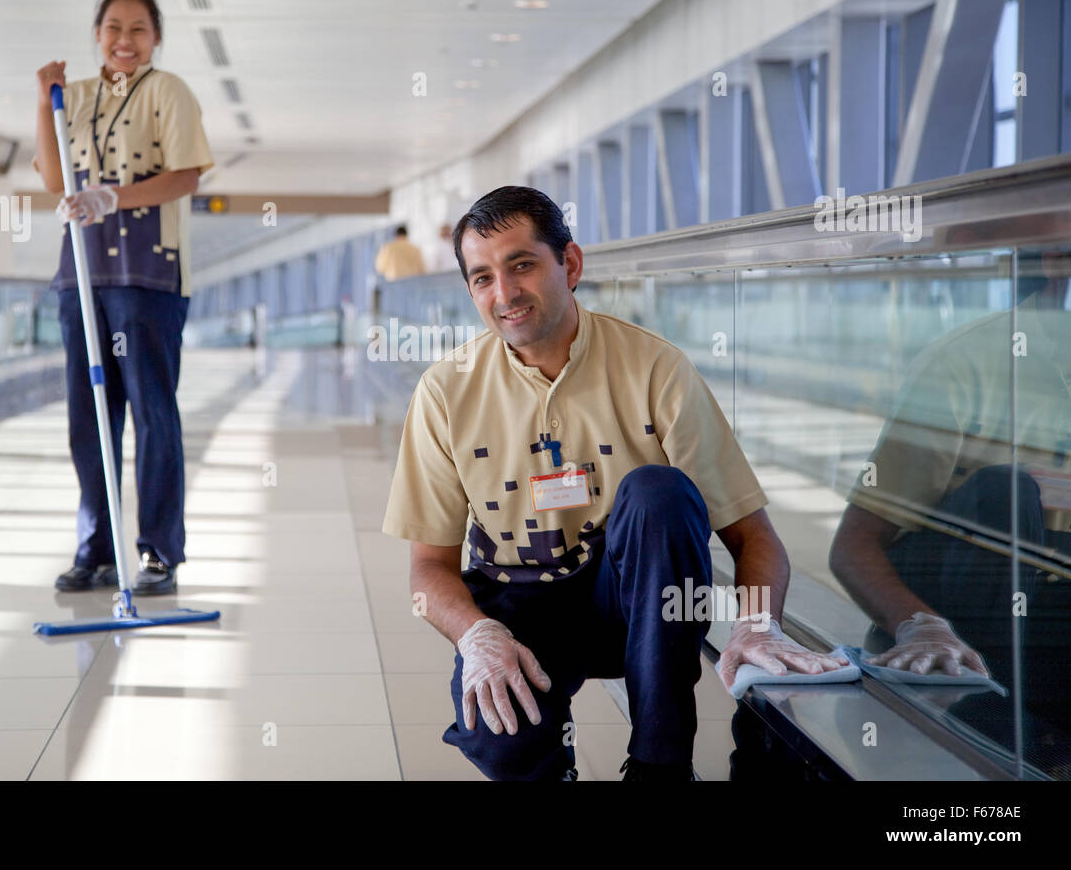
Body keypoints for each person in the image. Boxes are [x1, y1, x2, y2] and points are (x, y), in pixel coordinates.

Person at [380, 186, 844, 781]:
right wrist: (478, 636)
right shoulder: (446, 392)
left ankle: (660, 764)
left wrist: (757, 623)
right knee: (500, 738)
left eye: (522, 265)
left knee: (659, 491)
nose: (505, 293)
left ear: (569, 264)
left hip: (637, 600)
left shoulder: (654, 368)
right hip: (519, 600)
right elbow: (428, 568)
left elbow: (754, 538)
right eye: (482, 278)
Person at [829, 246, 1071, 775]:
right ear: (1055, 261)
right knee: (1006, 493)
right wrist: (920, 625)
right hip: (971, 614)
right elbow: (853, 545)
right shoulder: (967, 363)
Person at [33, 0, 213, 596]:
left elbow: (186, 174)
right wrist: (43, 103)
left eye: (138, 29)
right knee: (90, 420)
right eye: (113, 28)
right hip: (82, 273)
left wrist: (113, 197)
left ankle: (159, 552)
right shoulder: (75, 98)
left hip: (149, 276)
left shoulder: (169, 92)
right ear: (98, 35)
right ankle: (97, 550)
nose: (124, 41)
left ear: (155, 38)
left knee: (152, 413)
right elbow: (54, 176)